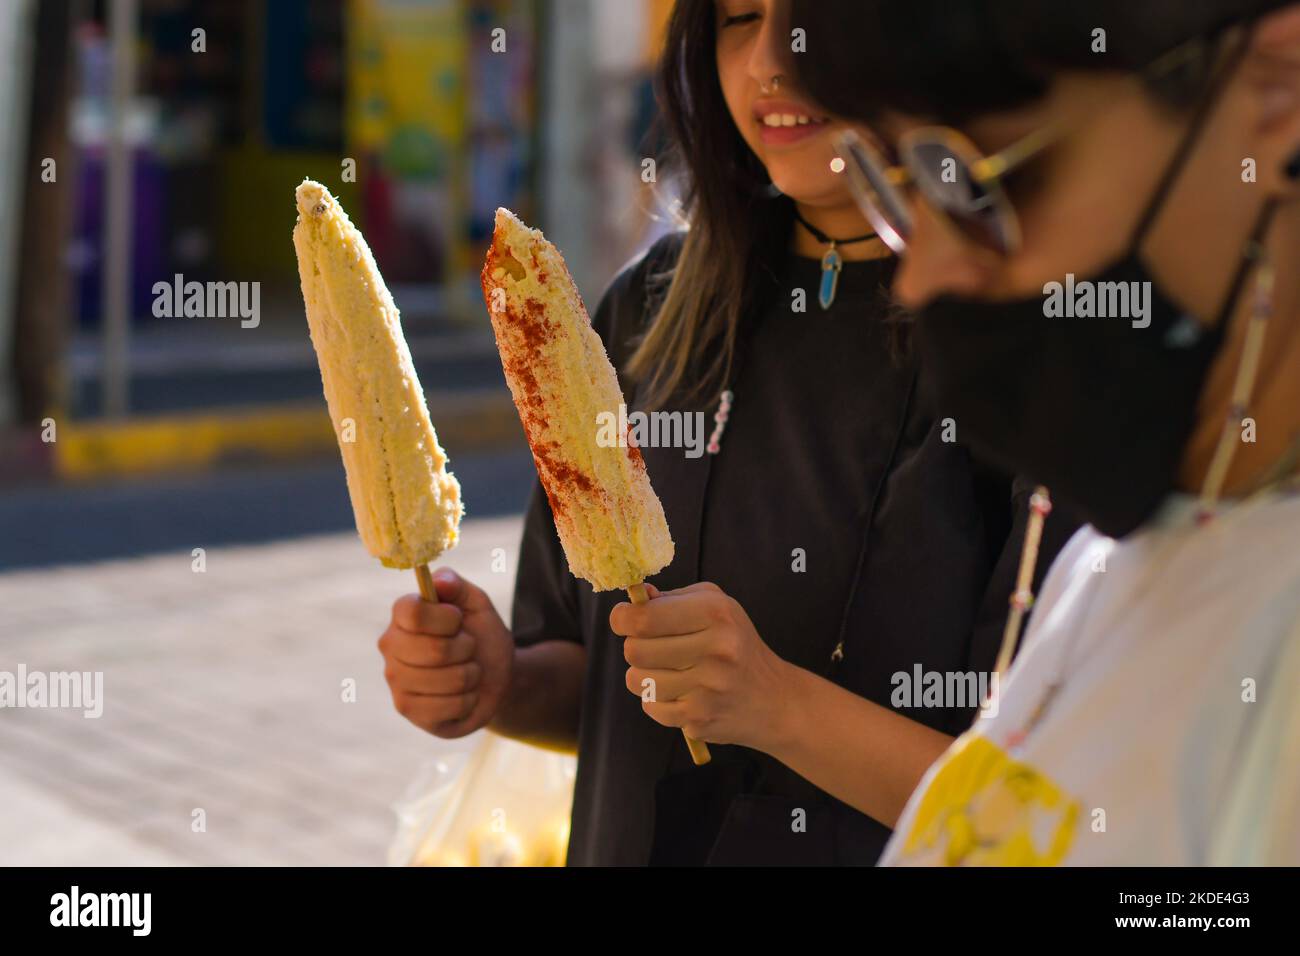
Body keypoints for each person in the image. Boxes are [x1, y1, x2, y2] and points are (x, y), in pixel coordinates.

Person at [377, 0, 1075, 866]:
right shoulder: (648, 309)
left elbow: (1042, 807)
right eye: (739, 17)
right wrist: (499, 681)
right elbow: (595, 679)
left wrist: (779, 706)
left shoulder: (1033, 351)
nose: (769, 63)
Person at [792, 0, 1300, 864]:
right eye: (892, 186)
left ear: (1278, 87)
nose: (921, 278)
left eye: (967, 182)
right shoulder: (1121, 553)